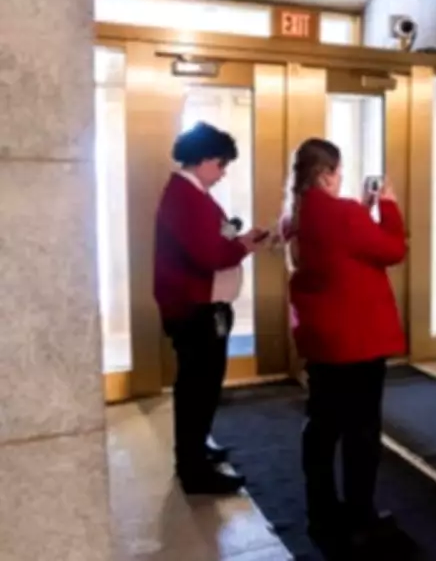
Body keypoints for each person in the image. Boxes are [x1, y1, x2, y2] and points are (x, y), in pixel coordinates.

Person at [280, 138, 407, 555]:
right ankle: (360, 517)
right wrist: (386, 205)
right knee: (361, 432)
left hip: (322, 341)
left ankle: (322, 512)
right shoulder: (345, 213)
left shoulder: (295, 217)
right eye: (338, 171)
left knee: (321, 427)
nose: (342, 178)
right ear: (326, 174)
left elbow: (344, 251)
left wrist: (364, 210)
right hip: (358, 341)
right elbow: (393, 249)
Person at [153, 121, 266, 495]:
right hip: (194, 308)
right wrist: (243, 246)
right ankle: (193, 467)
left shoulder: (189, 193)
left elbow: (212, 242)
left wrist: (238, 239)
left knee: (200, 385)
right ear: (203, 160)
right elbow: (208, 254)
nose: (222, 173)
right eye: (221, 165)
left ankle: (197, 448)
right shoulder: (186, 197)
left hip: (198, 305)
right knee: (198, 387)